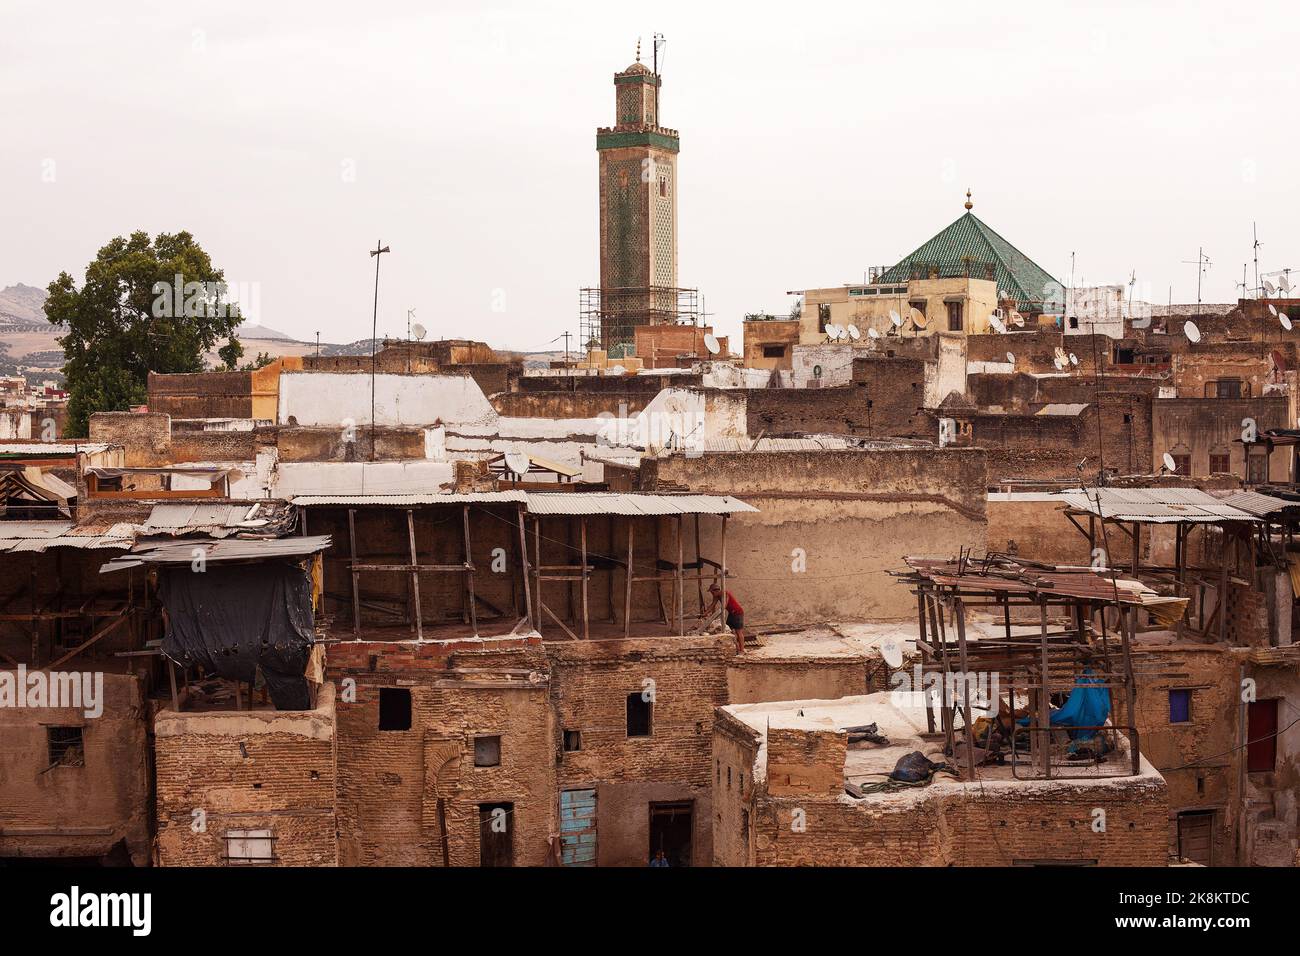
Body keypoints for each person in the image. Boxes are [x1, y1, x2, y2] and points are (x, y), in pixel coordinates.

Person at [704, 583, 746, 653]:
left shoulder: (725, 593)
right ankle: (737, 648)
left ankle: (742, 650)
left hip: (738, 612)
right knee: (730, 631)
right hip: (731, 613)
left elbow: (724, 606)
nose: (712, 594)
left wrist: (713, 616)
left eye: (712, 592)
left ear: (716, 591)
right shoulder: (716, 596)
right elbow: (712, 605)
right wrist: (705, 613)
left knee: (738, 632)